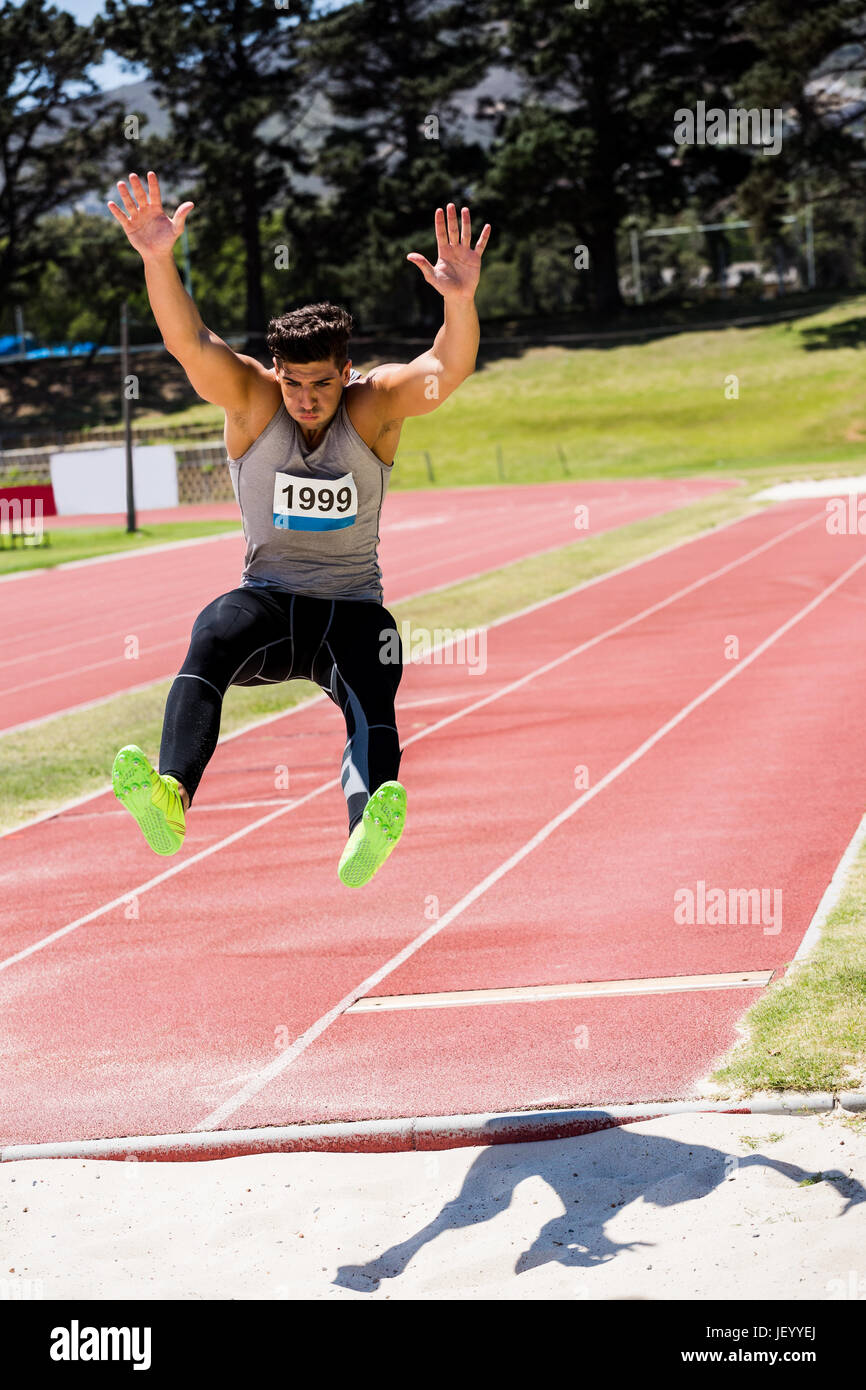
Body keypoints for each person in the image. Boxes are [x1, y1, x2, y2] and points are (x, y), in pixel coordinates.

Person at [106, 170, 490, 887]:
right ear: (275, 372)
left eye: (321, 384)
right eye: (294, 383)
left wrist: (460, 303)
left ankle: (365, 829)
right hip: (271, 608)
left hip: (351, 610)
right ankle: (170, 793)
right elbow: (189, 342)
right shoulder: (252, 400)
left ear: (346, 371)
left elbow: (449, 365)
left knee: (372, 686)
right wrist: (158, 259)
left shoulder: (373, 407)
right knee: (215, 627)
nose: (307, 400)